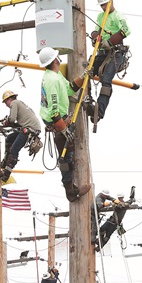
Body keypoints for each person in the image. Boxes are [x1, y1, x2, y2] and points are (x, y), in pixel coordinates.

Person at [39, 46, 91, 202]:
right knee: (65, 154)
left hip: (58, 116)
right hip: (54, 118)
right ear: (55, 60)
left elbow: (69, 89)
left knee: (68, 151)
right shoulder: (52, 80)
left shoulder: (55, 75)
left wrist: (83, 76)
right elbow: (53, 110)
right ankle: (70, 191)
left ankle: (71, 185)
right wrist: (63, 130)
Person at [89, 0, 131, 126]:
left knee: (106, 80)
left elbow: (126, 30)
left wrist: (110, 42)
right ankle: (88, 100)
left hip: (116, 53)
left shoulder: (118, 16)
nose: (103, 7)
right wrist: (96, 38)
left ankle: (99, 111)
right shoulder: (101, 16)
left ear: (111, 2)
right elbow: (96, 30)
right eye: (101, 5)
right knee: (87, 71)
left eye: (105, 4)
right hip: (103, 52)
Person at [0, 91, 42, 182]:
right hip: (31, 128)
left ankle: (5, 174)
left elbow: (12, 119)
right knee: (9, 138)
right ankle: (5, 163)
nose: (6, 105)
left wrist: (7, 121)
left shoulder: (14, 103)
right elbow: (18, 123)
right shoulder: (21, 104)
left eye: (6, 102)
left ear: (9, 99)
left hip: (29, 129)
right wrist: (9, 123)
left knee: (14, 150)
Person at [92, 187, 134, 251]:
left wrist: (113, 204)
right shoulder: (123, 203)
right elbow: (130, 200)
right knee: (101, 230)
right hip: (111, 220)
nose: (119, 199)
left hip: (115, 223)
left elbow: (123, 205)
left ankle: (99, 247)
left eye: (120, 198)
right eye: (119, 198)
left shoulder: (123, 204)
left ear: (122, 198)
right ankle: (100, 242)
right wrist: (133, 192)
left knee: (107, 236)